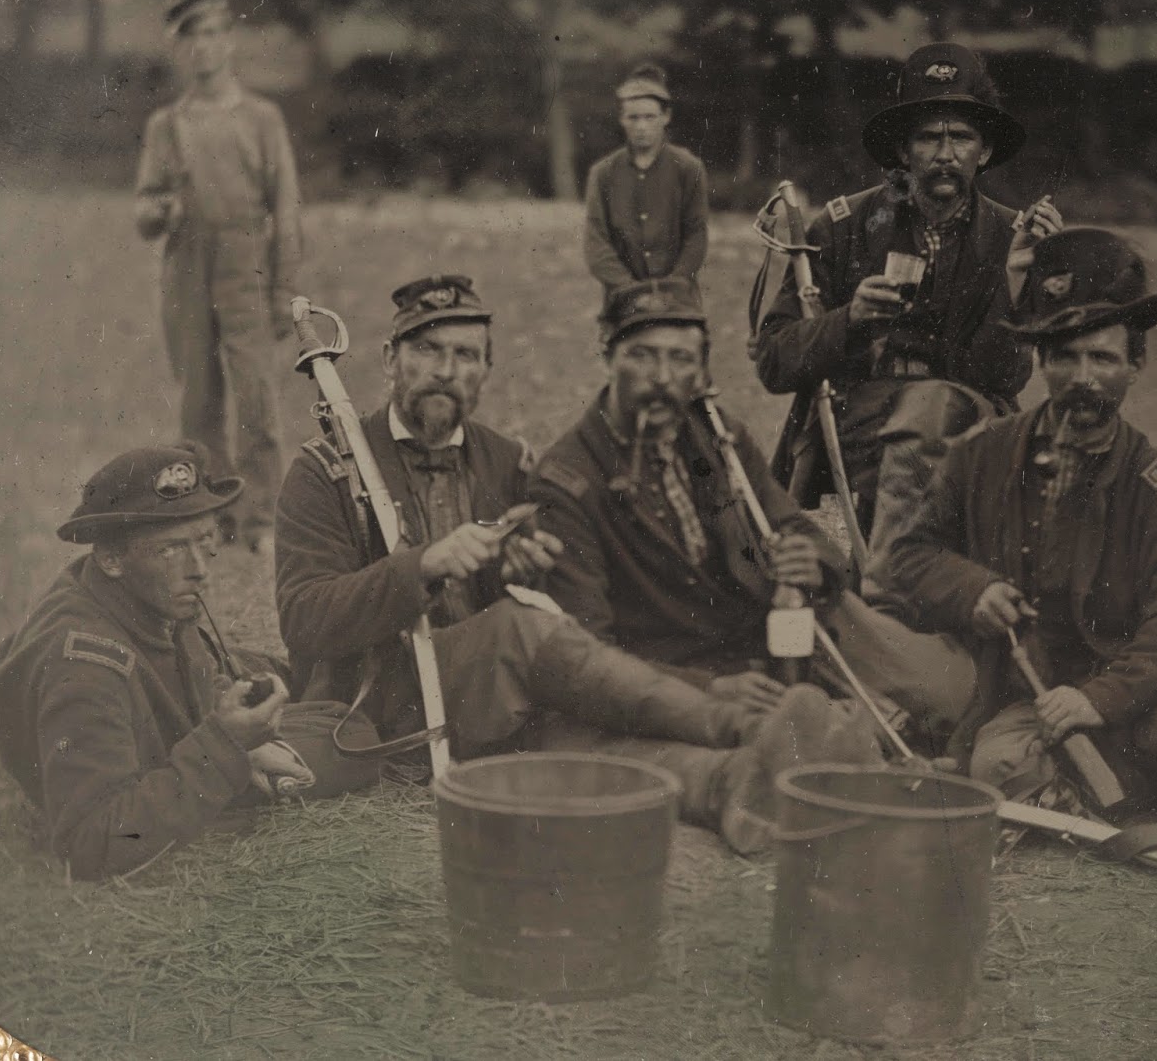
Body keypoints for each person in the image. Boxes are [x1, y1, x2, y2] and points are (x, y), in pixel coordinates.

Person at [273, 273, 878, 855]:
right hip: (385, 707)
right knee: (521, 630)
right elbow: (303, 619)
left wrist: (520, 568)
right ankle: (742, 728)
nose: (445, 370)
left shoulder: (507, 461)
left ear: (485, 371)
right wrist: (423, 566)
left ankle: (732, 782)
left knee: (577, 735)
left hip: (495, 699)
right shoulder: (329, 469)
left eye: (465, 355)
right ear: (388, 359)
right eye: (426, 349)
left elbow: (554, 608)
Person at [530, 277, 979, 749]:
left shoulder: (715, 433)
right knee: (821, 747)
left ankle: (862, 713)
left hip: (780, 631)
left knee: (951, 696)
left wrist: (810, 560)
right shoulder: (567, 482)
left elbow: (791, 524)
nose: (662, 378)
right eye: (642, 355)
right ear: (608, 358)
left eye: (680, 359)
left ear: (700, 370)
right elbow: (588, 652)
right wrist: (707, 689)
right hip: (683, 673)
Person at [876, 229, 1157, 811]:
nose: (1082, 377)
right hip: (1010, 688)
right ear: (1039, 359)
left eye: (1103, 358)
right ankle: (1064, 787)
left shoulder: (1155, 487)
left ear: (1135, 365)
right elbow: (909, 555)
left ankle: (1104, 785)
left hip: (1119, 688)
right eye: (1063, 356)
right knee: (996, 761)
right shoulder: (980, 453)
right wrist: (974, 589)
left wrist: (1101, 698)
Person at [0, 444, 381, 881]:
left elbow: (188, 669)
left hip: (169, 743)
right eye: (170, 550)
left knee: (334, 707)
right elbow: (91, 845)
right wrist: (227, 749)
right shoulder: (85, 668)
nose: (200, 569)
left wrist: (227, 706)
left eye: (205, 541)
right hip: (140, 776)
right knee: (354, 743)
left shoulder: (144, 593)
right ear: (110, 559)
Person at [752, 41, 1063, 569]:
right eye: (928, 137)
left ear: (983, 151)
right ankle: (895, 580)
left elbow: (1004, 379)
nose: (946, 153)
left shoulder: (1011, 239)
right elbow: (774, 360)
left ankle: (892, 576)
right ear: (902, 151)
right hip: (859, 425)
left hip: (966, 428)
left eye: (961, 137)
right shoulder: (844, 227)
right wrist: (847, 321)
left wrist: (1018, 281)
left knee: (937, 418)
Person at [133, 0, 303, 553]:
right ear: (178, 49)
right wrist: (161, 209)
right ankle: (218, 515)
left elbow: (288, 210)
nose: (202, 47)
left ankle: (263, 521)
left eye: (212, 34)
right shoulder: (167, 125)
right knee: (198, 401)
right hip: (185, 268)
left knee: (257, 398)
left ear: (229, 41)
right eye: (190, 37)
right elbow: (143, 211)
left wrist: (283, 290)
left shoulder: (260, 119)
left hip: (246, 263)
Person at [582, 63, 710, 300]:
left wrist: (673, 287)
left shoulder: (689, 168)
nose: (641, 126)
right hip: (624, 300)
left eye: (650, 117)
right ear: (622, 118)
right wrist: (631, 290)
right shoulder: (603, 173)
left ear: (666, 116)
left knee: (689, 337)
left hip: (679, 298)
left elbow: (696, 238)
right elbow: (596, 245)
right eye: (633, 117)